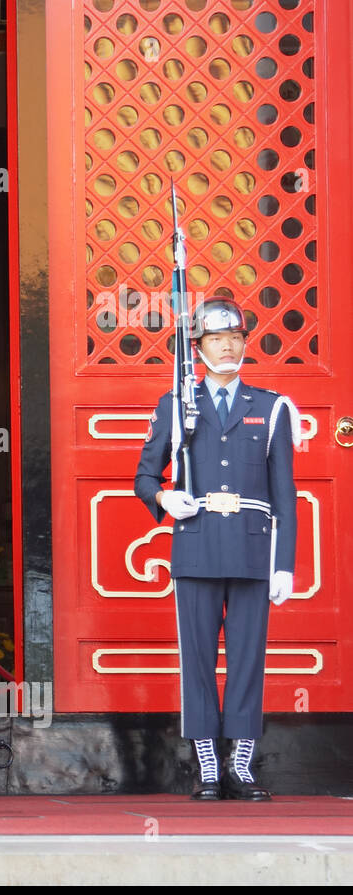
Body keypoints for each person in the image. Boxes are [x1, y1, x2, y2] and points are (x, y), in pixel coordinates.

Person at [134, 297, 299, 801]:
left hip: (251, 549)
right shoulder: (176, 404)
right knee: (198, 659)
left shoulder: (270, 408)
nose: (227, 347)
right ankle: (207, 765)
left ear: (245, 344)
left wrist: (284, 564)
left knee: (249, 659)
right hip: (198, 544)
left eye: (234, 338)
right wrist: (165, 496)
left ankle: (241, 764)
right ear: (198, 348)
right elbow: (144, 475)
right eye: (215, 339)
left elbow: (284, 494)